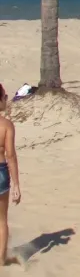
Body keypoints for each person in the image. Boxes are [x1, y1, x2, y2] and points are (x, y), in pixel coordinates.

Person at [0, 84, 21, 266]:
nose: (6, 99)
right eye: (5, 96)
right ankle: (1, 260)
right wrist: (16, 184)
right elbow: (10, 155)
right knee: (2, 220)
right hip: (0, 173)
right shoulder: (6, 125)